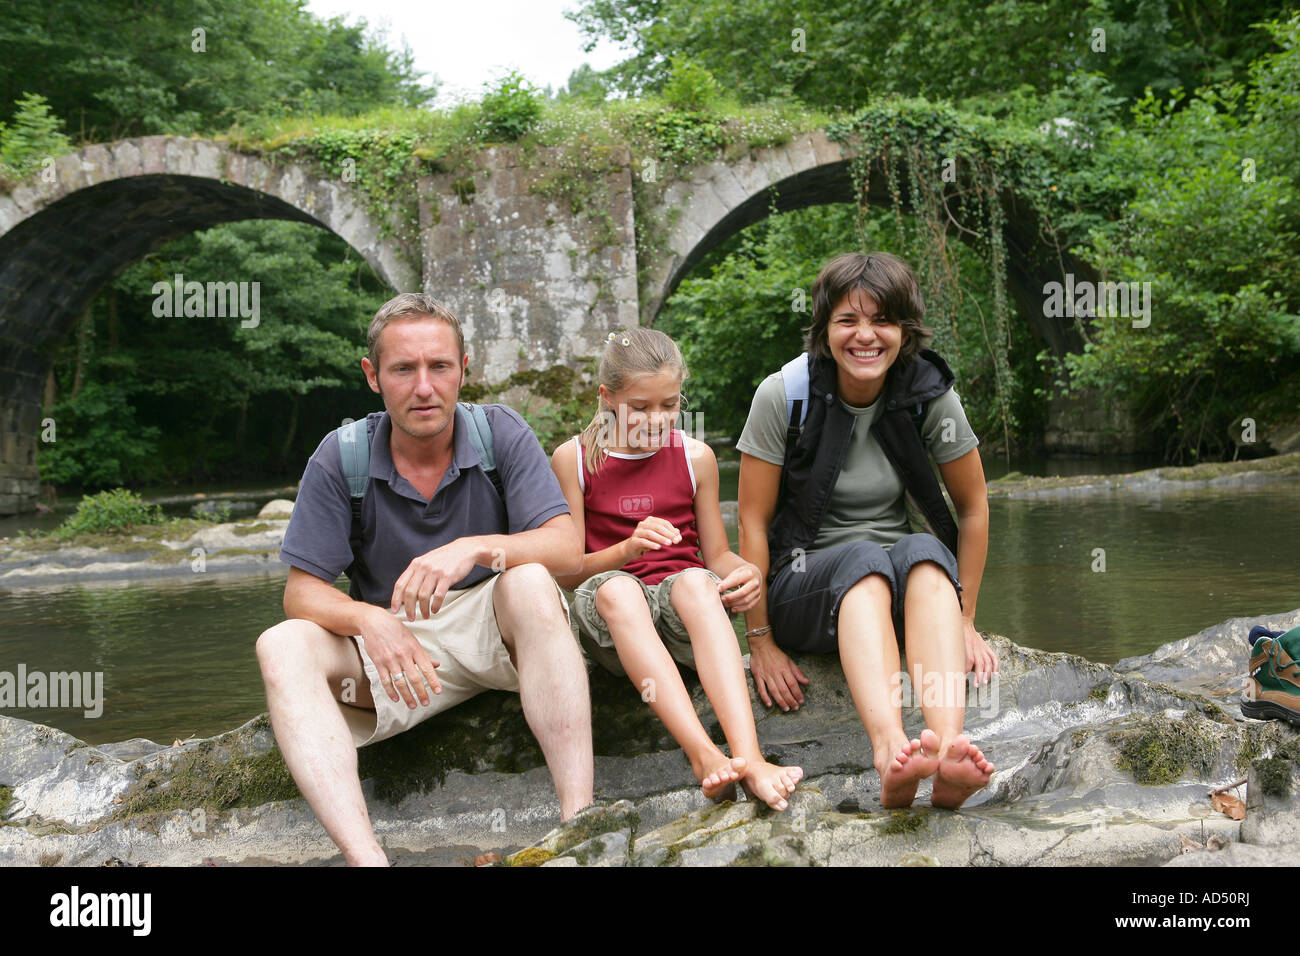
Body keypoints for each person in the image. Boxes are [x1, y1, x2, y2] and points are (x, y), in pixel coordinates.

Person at [256, 293, 593, 866]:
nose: (424, 387)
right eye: (403, 369)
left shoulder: (500, 433)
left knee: (532, 580)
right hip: (397, 658)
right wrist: (368, 618)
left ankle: (579, 828)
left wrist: (472, 548)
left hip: (501, 635)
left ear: (465, 368)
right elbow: (301, 592)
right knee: (280, 645)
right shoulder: (340, 458)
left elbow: (566, 549)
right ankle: (368, 860)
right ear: (372, 376)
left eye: (439, 366)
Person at [736, 251, 998, 810]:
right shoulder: (783, 395)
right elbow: (752, 522)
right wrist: (759, 641)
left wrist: (965, 616)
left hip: (895, 577)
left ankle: (948, 752)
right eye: (847, 321)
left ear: (905, 331)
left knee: (927, 553)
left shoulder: (929, 394)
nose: (865, 336)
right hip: (802, 582)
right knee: (863, 563)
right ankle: (890, 755)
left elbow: (973, 507)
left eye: (881, 321)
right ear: (825, 329)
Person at [551, 327, 803, 810]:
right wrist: (627, 549)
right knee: (620, 593)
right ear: (607, 398)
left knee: (693, 584)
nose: (656, 419)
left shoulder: (696, 457)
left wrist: (744, 573)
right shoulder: (574, 459)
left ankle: (748, 757)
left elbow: (717, 557)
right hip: (609, 615)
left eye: (669, 405)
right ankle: (703, 754)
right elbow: (567, 572)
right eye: (640, 407)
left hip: (682, 612)